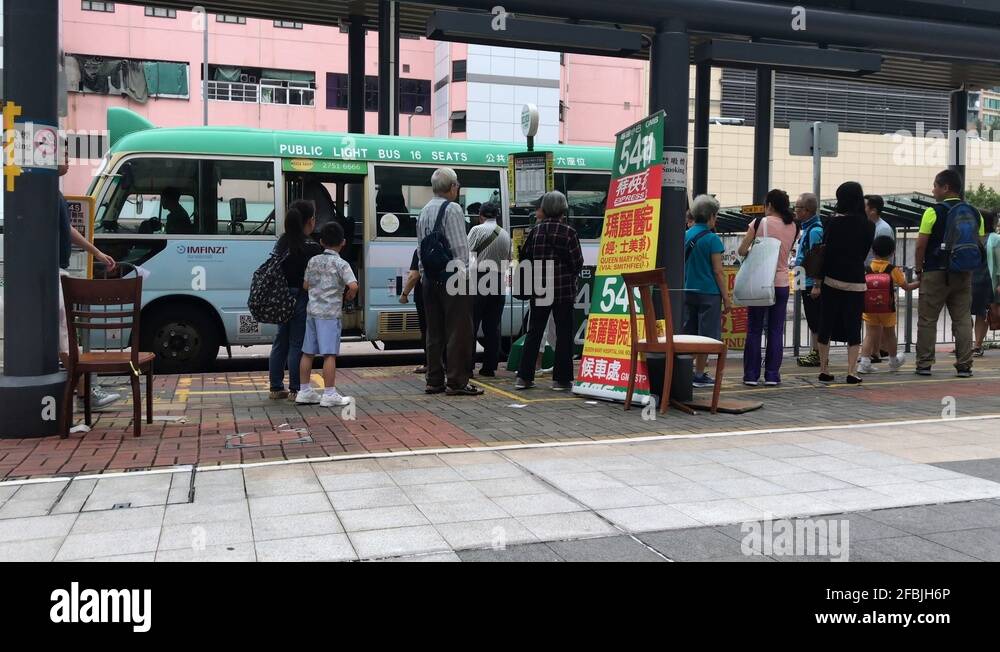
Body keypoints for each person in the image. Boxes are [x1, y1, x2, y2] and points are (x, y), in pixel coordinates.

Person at [56, 153, 121, 409]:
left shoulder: (53, 192)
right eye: (61, 154)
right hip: (52, 272)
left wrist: (95, 252)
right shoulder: (43, 191)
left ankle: (82, 390)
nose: (67, 159)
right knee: (65, 335)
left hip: (57, 269)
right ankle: (84, 392)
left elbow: (67, 229)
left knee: (65, 335)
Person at [416, 167, 483, 396]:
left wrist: (424, 273)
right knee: (459, 330)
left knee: (434, 332)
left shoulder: (424, 210)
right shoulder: (453, 209)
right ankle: (456, 381)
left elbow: (420, 248)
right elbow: (460, 249)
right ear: (453, 187)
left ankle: (434, 379)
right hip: (452, 278)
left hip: (429, 278)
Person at [914, 169, 986, 377]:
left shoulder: (932, 212)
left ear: (946, 188)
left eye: (936, 186)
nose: (933, 190)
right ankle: (964, 365)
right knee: (962, 319)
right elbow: (977, 244)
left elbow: (920, 246)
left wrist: (919, 269)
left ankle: (924, 364)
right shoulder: (975, 213)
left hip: (935, 273)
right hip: (963, 273)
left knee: (928, 319)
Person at [516, 191, 584, 391]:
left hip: (539, 289)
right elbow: (577, 262)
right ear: (563, 208)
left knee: (534, 332)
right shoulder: (569, 232)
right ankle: (561, 380)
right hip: (563, 291)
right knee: (564, 333)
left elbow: (525, 258)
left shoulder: (535, 231)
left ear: (544, 208)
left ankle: (524, 377)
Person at [814, 181, 876, 385]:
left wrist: (817, 281)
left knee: (826, 323)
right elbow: (864, 252)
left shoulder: (832, 222)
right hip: (856, 280)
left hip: (832, 279)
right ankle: (852, 371)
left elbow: (826, 252)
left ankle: (824, 368)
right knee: (853, 325)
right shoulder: (869, 225)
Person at [737, 189, 798, 386]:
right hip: (781, 283)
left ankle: (751, 375)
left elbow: (742, 250)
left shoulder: (759, 223)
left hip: (761, 282)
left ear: (769, 205)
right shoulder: (794, 226)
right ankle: (772, 375)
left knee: (754, 329)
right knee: (775, 330)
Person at [295, 222, 358, 407]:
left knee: (307, 353)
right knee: (329, 354)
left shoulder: (313, 261)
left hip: (312, 312)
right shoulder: (341, 264)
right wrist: (350, 293)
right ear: (343, 242)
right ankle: (329, 393)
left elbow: (306, 285)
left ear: (321, 241)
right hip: (330, 314)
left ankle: (304, 391)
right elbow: (353, 284)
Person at [268, 200, 323, 400]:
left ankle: (275, 387)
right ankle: (296, 389)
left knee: (280, 340)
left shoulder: (282, 241)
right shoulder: (312, 247)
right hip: (301, 296)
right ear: (310, 220)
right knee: (297, 343)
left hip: (281, 296)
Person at [684, 194, 731, 388]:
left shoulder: (685, 235)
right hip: (709, 293)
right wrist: (727, 298)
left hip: (686, 291)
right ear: (711, 216)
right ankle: (699, 373)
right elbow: (718, 271)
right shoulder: (712, 239)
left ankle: (684, 370)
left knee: (688, 333)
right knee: (704, 336)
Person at [857, 235, 921, 374]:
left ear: (873, 252)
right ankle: (893, 362)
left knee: (870, 334)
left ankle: (864, 363)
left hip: (869, 308)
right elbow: (906, 287)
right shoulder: (893, 269)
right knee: (890, 335)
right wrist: (920, 283)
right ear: (892, 252)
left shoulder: (868, 268)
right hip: (887, 308)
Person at [467, 201, 512, 377]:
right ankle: (489, 367)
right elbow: (508, 259)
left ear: (480, 215)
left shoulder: (476, 230)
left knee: (471, 324)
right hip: (498, 279)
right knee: (493, 326)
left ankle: (468, 366)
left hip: (479, 277)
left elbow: (467, 255)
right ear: (497, 215)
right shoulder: (505, 234)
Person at [863, 194, 895, 362]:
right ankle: (875, 351)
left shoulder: (882, 229)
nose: (863, 209)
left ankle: (877, 350)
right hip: (871, 274)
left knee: (876, 316)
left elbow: (885, 255)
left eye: (865, 206)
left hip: (878, 277)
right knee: (875, 316)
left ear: (873, 210)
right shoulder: (870, 225)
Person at [793, 192, 824, 367]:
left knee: (815, 319)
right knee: (812, 318)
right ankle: (815, 352)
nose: (795, 211)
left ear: (807, 210)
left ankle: (817, 353)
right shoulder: (807, 228)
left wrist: (817, 285)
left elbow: (817, 258)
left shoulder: (815, 231)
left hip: (811, 282)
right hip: (804, 280)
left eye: (797, 207)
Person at [972, 210, 998, 355]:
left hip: (978, 279)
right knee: (976, 314)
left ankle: (972, 345)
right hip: (979, 279)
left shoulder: (992, 238)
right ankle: (972, 344)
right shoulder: (992, 238)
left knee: (976, 314)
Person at [399, 249, 426, 374]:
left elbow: (414, 276)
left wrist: (404, 294)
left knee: (427, 331)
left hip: (424, 296)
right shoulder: (450, 247)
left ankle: (430, 364)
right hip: (445, 296)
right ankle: (446, 363)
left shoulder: (421, 249)